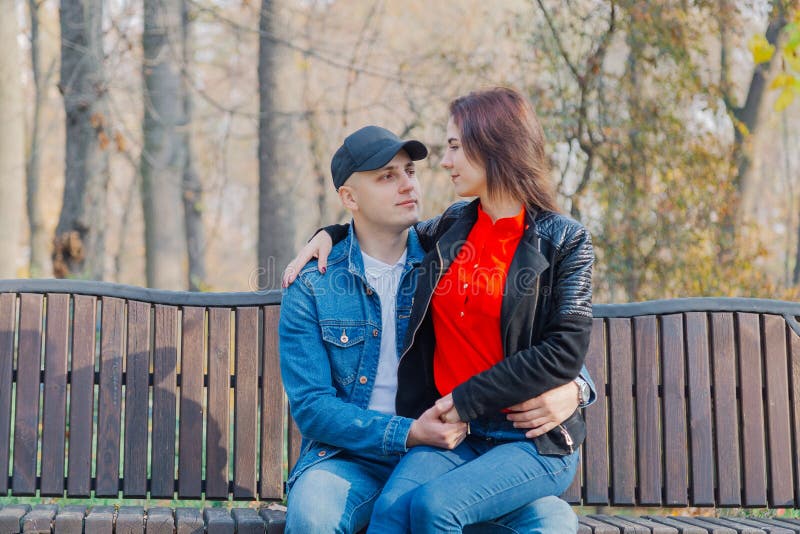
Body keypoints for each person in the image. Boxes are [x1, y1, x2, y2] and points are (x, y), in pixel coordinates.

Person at [280, 122, 595, 533]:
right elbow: (312, 408)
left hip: (456, 450)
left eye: (410, 171)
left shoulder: (446, 253)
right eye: (387, 176)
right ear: (349, 197)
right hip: (353, 459)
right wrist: (409, 433)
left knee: (552, 521)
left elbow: (541, 341)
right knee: (313, 515)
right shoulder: (314, 284)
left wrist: (577, 388)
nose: (408, 185)